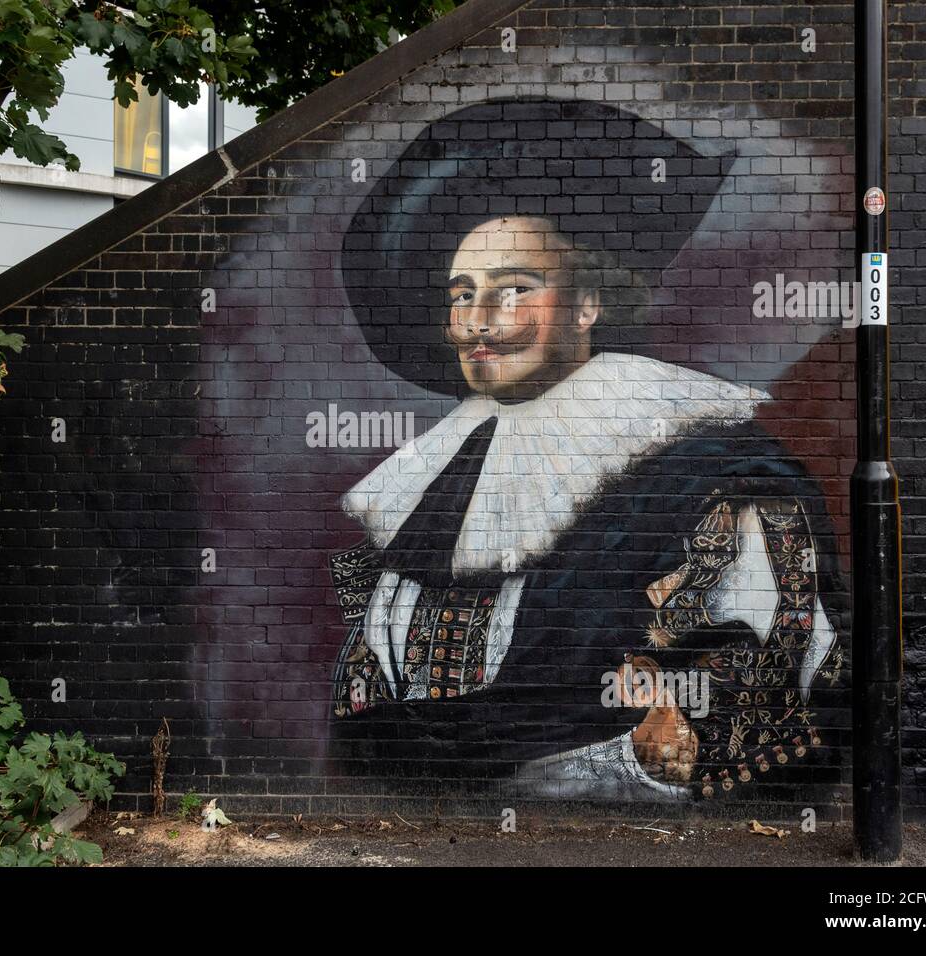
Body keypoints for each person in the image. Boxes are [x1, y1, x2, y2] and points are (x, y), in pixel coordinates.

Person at [329, 99, 845, 802]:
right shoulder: (439, 474)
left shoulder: (712, 466)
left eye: (513, 291)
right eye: (461, 294)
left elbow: (768, 696)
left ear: (587, 304)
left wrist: (639, 750)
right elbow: (371, 691)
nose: (478, 322)